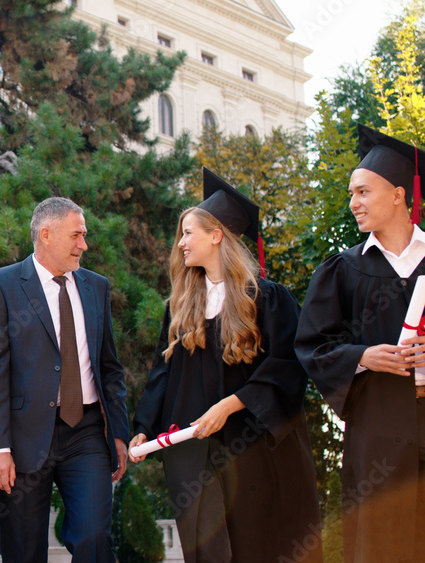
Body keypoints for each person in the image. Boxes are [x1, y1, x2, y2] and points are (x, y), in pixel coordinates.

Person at [130, 169, 321, 563]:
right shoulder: (181, 308)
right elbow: (162, 375)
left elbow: (288, 369)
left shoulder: (268, 300)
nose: (180, 242)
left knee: (258, 546)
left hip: (255, 452)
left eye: (188, 233)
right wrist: (143, 429)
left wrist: (231, 404)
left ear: (216, 235)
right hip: (196, 457)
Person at [295, 124, 425, 562]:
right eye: (352, 194)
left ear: (398, 195)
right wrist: (364, 356)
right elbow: (313, 347)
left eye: (364, 192)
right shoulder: (343, 270)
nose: (354, 203)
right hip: (377, 438)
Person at [0, 196, 128, 562]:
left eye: (84, 235)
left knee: (94, 538)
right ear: (46, 234)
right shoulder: (1, 285)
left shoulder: (97, 287)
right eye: (77, 235)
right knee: (23, 549)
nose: (84, 245)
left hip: (87, 432)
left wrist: (118, 433)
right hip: (24, 436)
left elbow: (110, 366)